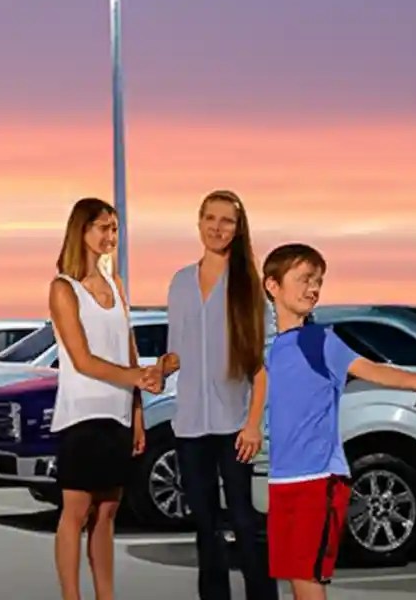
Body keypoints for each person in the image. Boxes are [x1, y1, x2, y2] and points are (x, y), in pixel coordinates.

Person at [260, 242, 416, 600]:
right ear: (272, 285)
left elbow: (373, 370)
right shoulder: (276, 349)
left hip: (317, 480)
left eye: (318, 281)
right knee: (295, 578)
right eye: (305, 279)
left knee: (308, 578)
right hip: (282, 479)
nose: (313, 288)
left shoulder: (320, 340)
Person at [151, 190, 275, 600]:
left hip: (235, 426)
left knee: (243, 520)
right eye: (211, 218)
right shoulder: (180, 283)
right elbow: (176, 353)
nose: (217, 228)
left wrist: (253, 425)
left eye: (227, 221)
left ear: (238, 230)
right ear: (199, 222)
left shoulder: (249, 289)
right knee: (205, 525)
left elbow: (262, 367)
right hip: (190, 425)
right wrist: (159, 368)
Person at [47, 197, 161, 600]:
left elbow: (128, 349)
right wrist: (137, 377)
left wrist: (137, 412)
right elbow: (81, 359)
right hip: (82, 414)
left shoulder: (117, 283)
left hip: (118, 414)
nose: (110, 236)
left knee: (108, 511)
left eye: (114, 228)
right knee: (76, 511)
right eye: (102, 228)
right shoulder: (64, 288)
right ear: (81, 231)